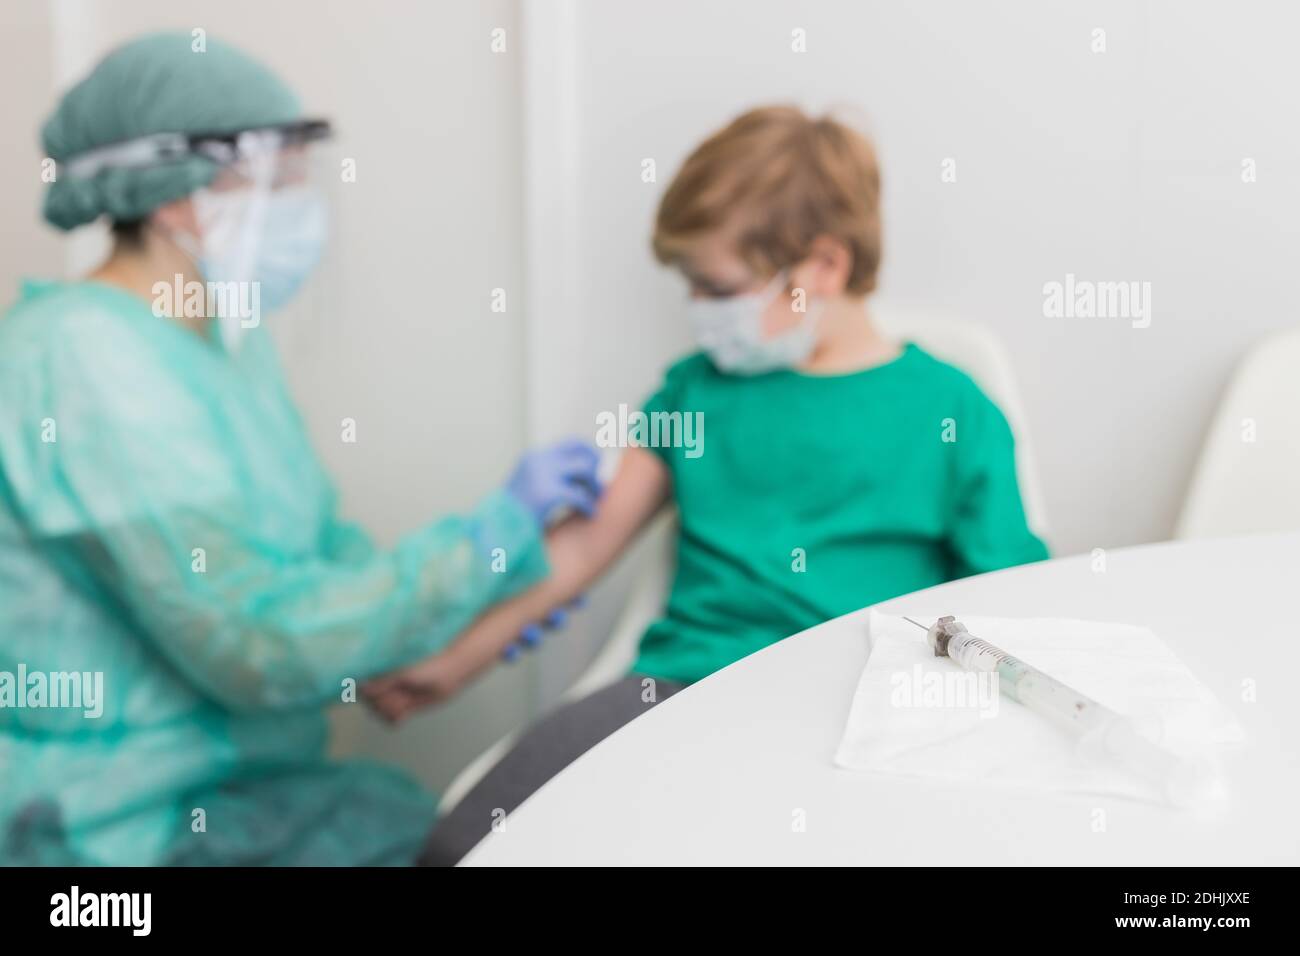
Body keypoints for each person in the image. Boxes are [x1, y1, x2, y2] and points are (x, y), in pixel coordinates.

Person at [365, 106, 1050, 864]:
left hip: (854, 711)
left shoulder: (954, 411)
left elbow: (1010, 603)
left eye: (717, 287)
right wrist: (451, 664)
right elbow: (582, 549)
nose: (699, 311)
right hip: (673, 690)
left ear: (823, 267)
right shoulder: (693, 394)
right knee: (462, 845)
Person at [0, 33, 600, 866]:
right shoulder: (80, 360)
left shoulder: (227, 344)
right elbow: (249, 640)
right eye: (277, 177)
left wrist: (458, 609)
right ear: (175, 196)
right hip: (115, 824)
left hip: (252, 786)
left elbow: (317, 558)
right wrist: (477, 553)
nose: (300, 204)